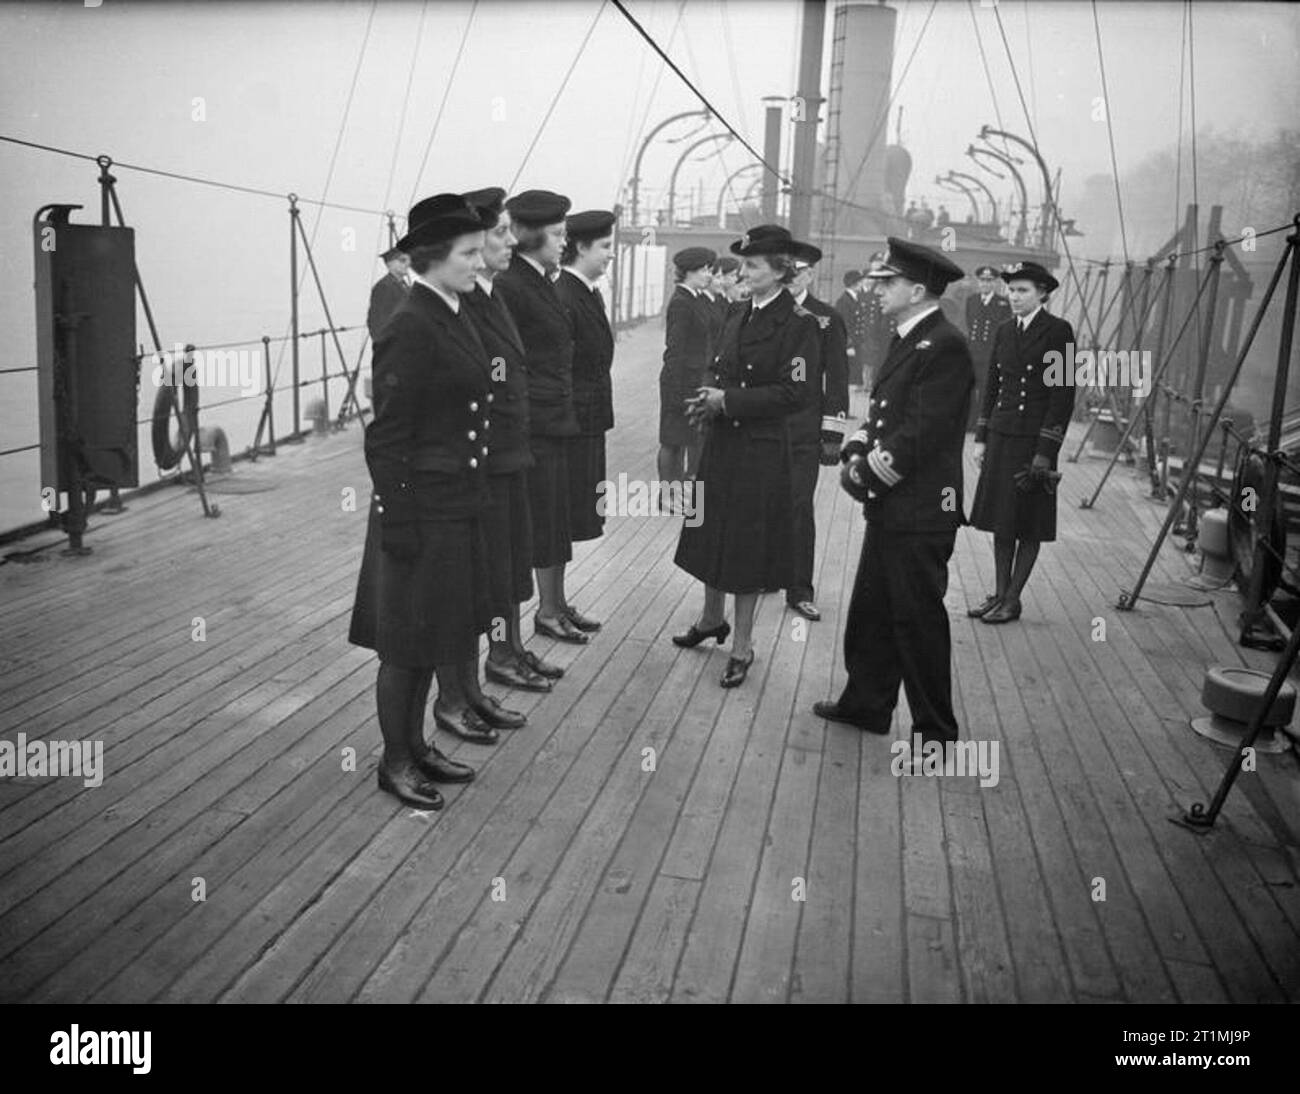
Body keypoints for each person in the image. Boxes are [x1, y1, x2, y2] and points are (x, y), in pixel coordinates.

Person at [349, 194, 508, 810]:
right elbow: (386, 437)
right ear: (434, 258)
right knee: (405, 643)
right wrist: (401, 518)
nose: (478, 262)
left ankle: (416, 748)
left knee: (436, 632)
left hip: (455, 502)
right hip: (418, 509)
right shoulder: (410, 324)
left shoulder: (454, 310)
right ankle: (395, 760)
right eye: (469, 253)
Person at [812, 237, 973, 750]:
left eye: (889, 283)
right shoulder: (911, 336)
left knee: (918, 620)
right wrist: (857, 443)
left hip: (921, 509)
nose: (878, 290)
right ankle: (867, 704)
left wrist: (865, 474)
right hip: (895, 508)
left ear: (918, 289)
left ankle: (935, 735)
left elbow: (921, 432)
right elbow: (885, 413)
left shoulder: (943, 345)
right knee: (872, 611)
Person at [672, 225, 821, 688]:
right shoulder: (737, 313)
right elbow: (718, 365)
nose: (744, 272)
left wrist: (729, 402)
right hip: (722, 444)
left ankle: (742, 645)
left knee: (747, 548)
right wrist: (706, 399)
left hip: (760, 451)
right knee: (711, 532)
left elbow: (795, 394)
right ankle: (710, 619)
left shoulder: (800, 326)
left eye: (754, 266)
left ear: (780, 272)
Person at [460, 186, 565, 694]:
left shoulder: (491, 296)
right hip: (488, 460)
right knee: (490, 570)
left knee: (508, 566)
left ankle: (510, 650)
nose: (511, 240)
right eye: (500, 232)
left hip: (510, 454)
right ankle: (497, 659)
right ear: (474, 240)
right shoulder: (469, 304)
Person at [494, 189, 597, 644]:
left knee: (554, 519)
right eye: (556, 234)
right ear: (531, 236)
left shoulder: (539, 279)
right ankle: (540, 616)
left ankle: (554, 605)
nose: (563, 242)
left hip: (556, 423)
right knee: (537, 525)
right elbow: (511, 363)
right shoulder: (514, 286)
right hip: (535, 426)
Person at [967, 261, 1075, 624]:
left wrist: (1046, 453)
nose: (1014, 297)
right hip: (1002, 434)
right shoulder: (1003, 330)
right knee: (1001, 519)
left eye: (1023, 291)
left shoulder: (1059, 332)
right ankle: (998, 593)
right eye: (1011, 290)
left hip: (1034, 441)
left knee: (1028, 522)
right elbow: (992, 386)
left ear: (1042, 293)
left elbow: (1063, 394)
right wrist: (981, 436)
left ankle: (1013, 599)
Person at [785, 244, 850, 621]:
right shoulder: (764, 311)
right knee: (763, 501)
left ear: (810, 274)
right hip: (764, 426)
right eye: (787, 270)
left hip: (805, 428)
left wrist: (832, 434)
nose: (793, 277)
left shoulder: (827, 318)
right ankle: (764, 575)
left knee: (798, 507)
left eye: (799, 271)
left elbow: (837, 377)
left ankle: (799, 589)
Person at [555, 209, 617, 550]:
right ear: (580, 247)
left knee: (577, 513)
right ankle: (552, 601)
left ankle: (556, 601)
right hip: (575, 424)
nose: (610, 253)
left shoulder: (588, 292)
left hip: (589, 420)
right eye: (604, 246)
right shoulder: (566, 295)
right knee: (565, 514)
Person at [658, 246, 717, 502]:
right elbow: (675, 349)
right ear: (689, 272)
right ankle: (666, 495)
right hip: (679, 379)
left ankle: (676, 493)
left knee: (682, 437)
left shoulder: (694, 298)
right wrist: (674, 389)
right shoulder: (681, 302)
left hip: (692, 379)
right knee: (671, 440)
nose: (709, 275)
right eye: (704, 270)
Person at [963, 264, 1013, 430]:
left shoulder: (1003, 304)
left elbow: (1003, 331)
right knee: (969, 388)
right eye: (982, 280)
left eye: (989, 281)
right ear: (978, 282)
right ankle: (969, 423)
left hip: (990, 354)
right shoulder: (972, 301)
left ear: (994, 283)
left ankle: (982, 423)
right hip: (973, 352)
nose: (985, 284)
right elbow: (970, 324)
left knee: (986, 390)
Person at [859, 252, 894, 391]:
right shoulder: (868, 291)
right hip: (871, 330)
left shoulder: (883, 286)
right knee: (869, 358)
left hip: (883, 330)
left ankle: (876, 384)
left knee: (880, 358)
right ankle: (868, 383)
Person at [367, 247, 411, 342]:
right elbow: (377, 322)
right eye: (402, 260)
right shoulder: (384, 287)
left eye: (408, 260)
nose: (407, 264)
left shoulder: (405, 286)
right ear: (390, 264)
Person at [834, 269, 866, 388]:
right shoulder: (843, 302)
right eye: (860, 282)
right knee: (851, 379)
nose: (862, 285)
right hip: (849, 346)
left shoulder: (855, 299)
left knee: (856, 377)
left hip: (857, 344)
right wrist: (849, 345)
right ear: (855, 283)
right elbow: (843, 326)